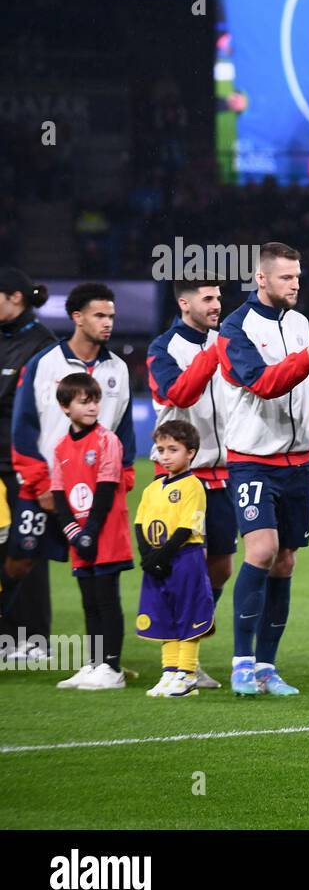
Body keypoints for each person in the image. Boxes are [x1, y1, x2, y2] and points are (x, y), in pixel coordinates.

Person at [218, 242, 309, 697]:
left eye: (298, 276)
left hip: (297, 463)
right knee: (261, 550)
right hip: (252, 463)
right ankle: (241, 662)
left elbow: (306, 393)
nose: (296, 284)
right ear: (261, 279)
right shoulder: (234, 329)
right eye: (286, 277)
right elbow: (264, 385)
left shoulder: (301, 323)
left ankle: (267, 666)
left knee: (285, 561)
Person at [11, 282, 136, 673]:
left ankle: (104, 663)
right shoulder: (44, 364)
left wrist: (122, 481)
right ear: (76, 317)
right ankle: (17, 639)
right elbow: (24, 428)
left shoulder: (117, 369)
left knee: (97, 575)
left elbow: (125, 432)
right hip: (47, 488)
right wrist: (39, 483)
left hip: (97, 492)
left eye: (112, 316)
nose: (108, 323)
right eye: (100, 315)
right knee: (19, 559)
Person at [146, 280, 232, 689]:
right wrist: (214, 353)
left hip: (225, 472)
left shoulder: (227, 340)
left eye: (219, 298)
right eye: (208, 299)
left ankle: (189, 649)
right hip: (180, 476)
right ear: (184, 303)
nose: (217, 305)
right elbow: (176, 391)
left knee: (219, 567)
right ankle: (178, 659)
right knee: (182, 570)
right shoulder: (162, 349)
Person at [49, 374, 134, 691]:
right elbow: (58, 493)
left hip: (106, 535)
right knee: (89, 601)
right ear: (65, 407)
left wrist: (90, 532)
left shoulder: (106, 440)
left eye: (96, 400)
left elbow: (107, 487)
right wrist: (73, 532)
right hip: (80, 538)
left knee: (106, 599)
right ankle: (94, 663)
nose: (93, 407)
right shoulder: (60, 448)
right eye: (84, 402)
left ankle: (112, 667)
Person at [0, 268, 56, 664]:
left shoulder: (41, 346)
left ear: (15, 297)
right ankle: (7, 638)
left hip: (22, 465)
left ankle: (33, 639)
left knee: (26, 548)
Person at [135, 421, 212, 699]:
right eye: (161, 449)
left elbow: (186, 527)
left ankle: (187, 674)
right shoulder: (152, 488)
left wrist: (162, 557)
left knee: (188, 615)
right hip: (156, 562)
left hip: (184, 558)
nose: (165, 456)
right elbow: (139, 523)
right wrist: (148, 558)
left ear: (190, 453)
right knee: (164, 616)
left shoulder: (193, 486)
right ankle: (169, 672)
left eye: (173, 449)